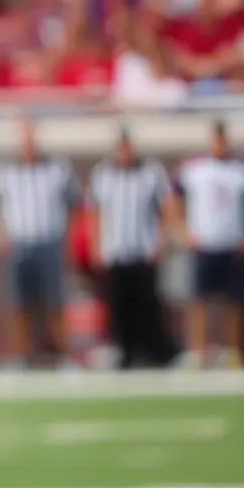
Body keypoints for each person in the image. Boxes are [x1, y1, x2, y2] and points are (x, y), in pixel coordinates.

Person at [0, 118, 81, 368]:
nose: (28, 147)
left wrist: (69, 236)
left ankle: (64, 356)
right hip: (17, 243)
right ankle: (18, 356)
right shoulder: (3, 170)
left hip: (49, 241)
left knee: (56, 301)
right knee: (16, 303)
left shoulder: (57, 167)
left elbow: (76, 203)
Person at [87, 126, 178, 369]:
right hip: (115, 249)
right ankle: (124, 352)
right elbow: (94, 212)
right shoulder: (102, 174)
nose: (125, 152)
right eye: (121, 147)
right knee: (119, 306)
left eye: (128, 147)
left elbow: (167, 207)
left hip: (143, 249)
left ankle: (154, 352)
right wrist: (96, 245)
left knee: (147, 305)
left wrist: (161, 240)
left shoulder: (151, 171)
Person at [173, 119, 244, 369]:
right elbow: (174, 196)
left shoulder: (240, 172)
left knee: (234, 302)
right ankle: (196, 352)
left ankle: (232, 352)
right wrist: (183, 230)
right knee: (198, 301)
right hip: (204, 243)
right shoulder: (195, 170)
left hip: (231, 243)